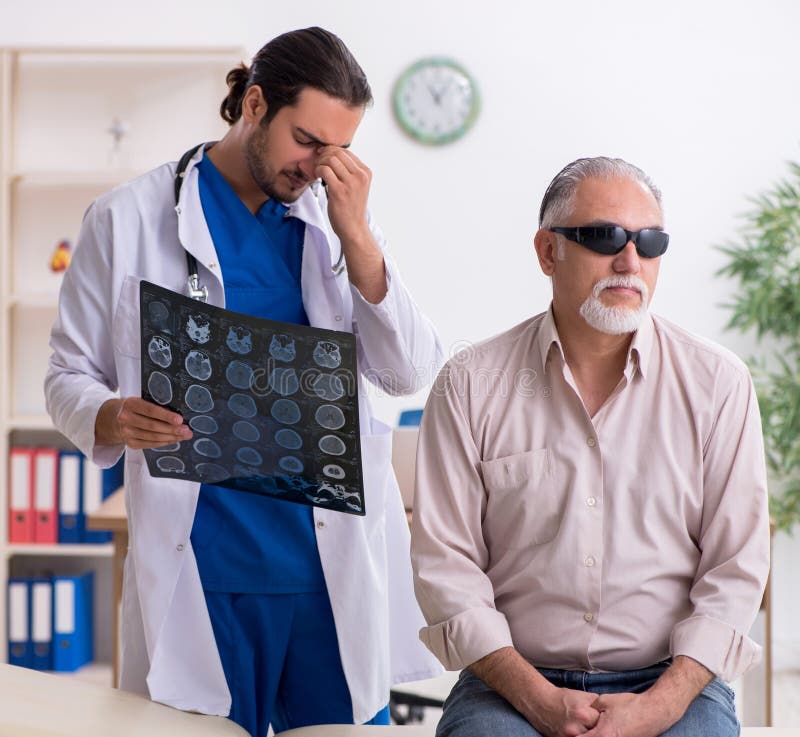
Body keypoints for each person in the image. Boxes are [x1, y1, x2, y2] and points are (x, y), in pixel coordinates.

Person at [45, 26, 443, 737]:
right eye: (307, 140)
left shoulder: (337, 222)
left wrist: (360, 240)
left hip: (327, 570)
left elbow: (406, 369)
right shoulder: (126, 218)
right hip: (205, 564)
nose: (319, 166)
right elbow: (67, 374)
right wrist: (109, 416)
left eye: (340, 150)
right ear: (254, 104)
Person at [410, 157, 770, 737]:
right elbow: (447, 569)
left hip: (671, 680)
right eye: (605, 237)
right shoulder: (470, 384)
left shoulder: (718, 384)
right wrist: (536, 697)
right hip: (510, 683)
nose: (630, 261)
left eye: (649, 242)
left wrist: (660, 705)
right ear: (547, 251)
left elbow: (734, 569)